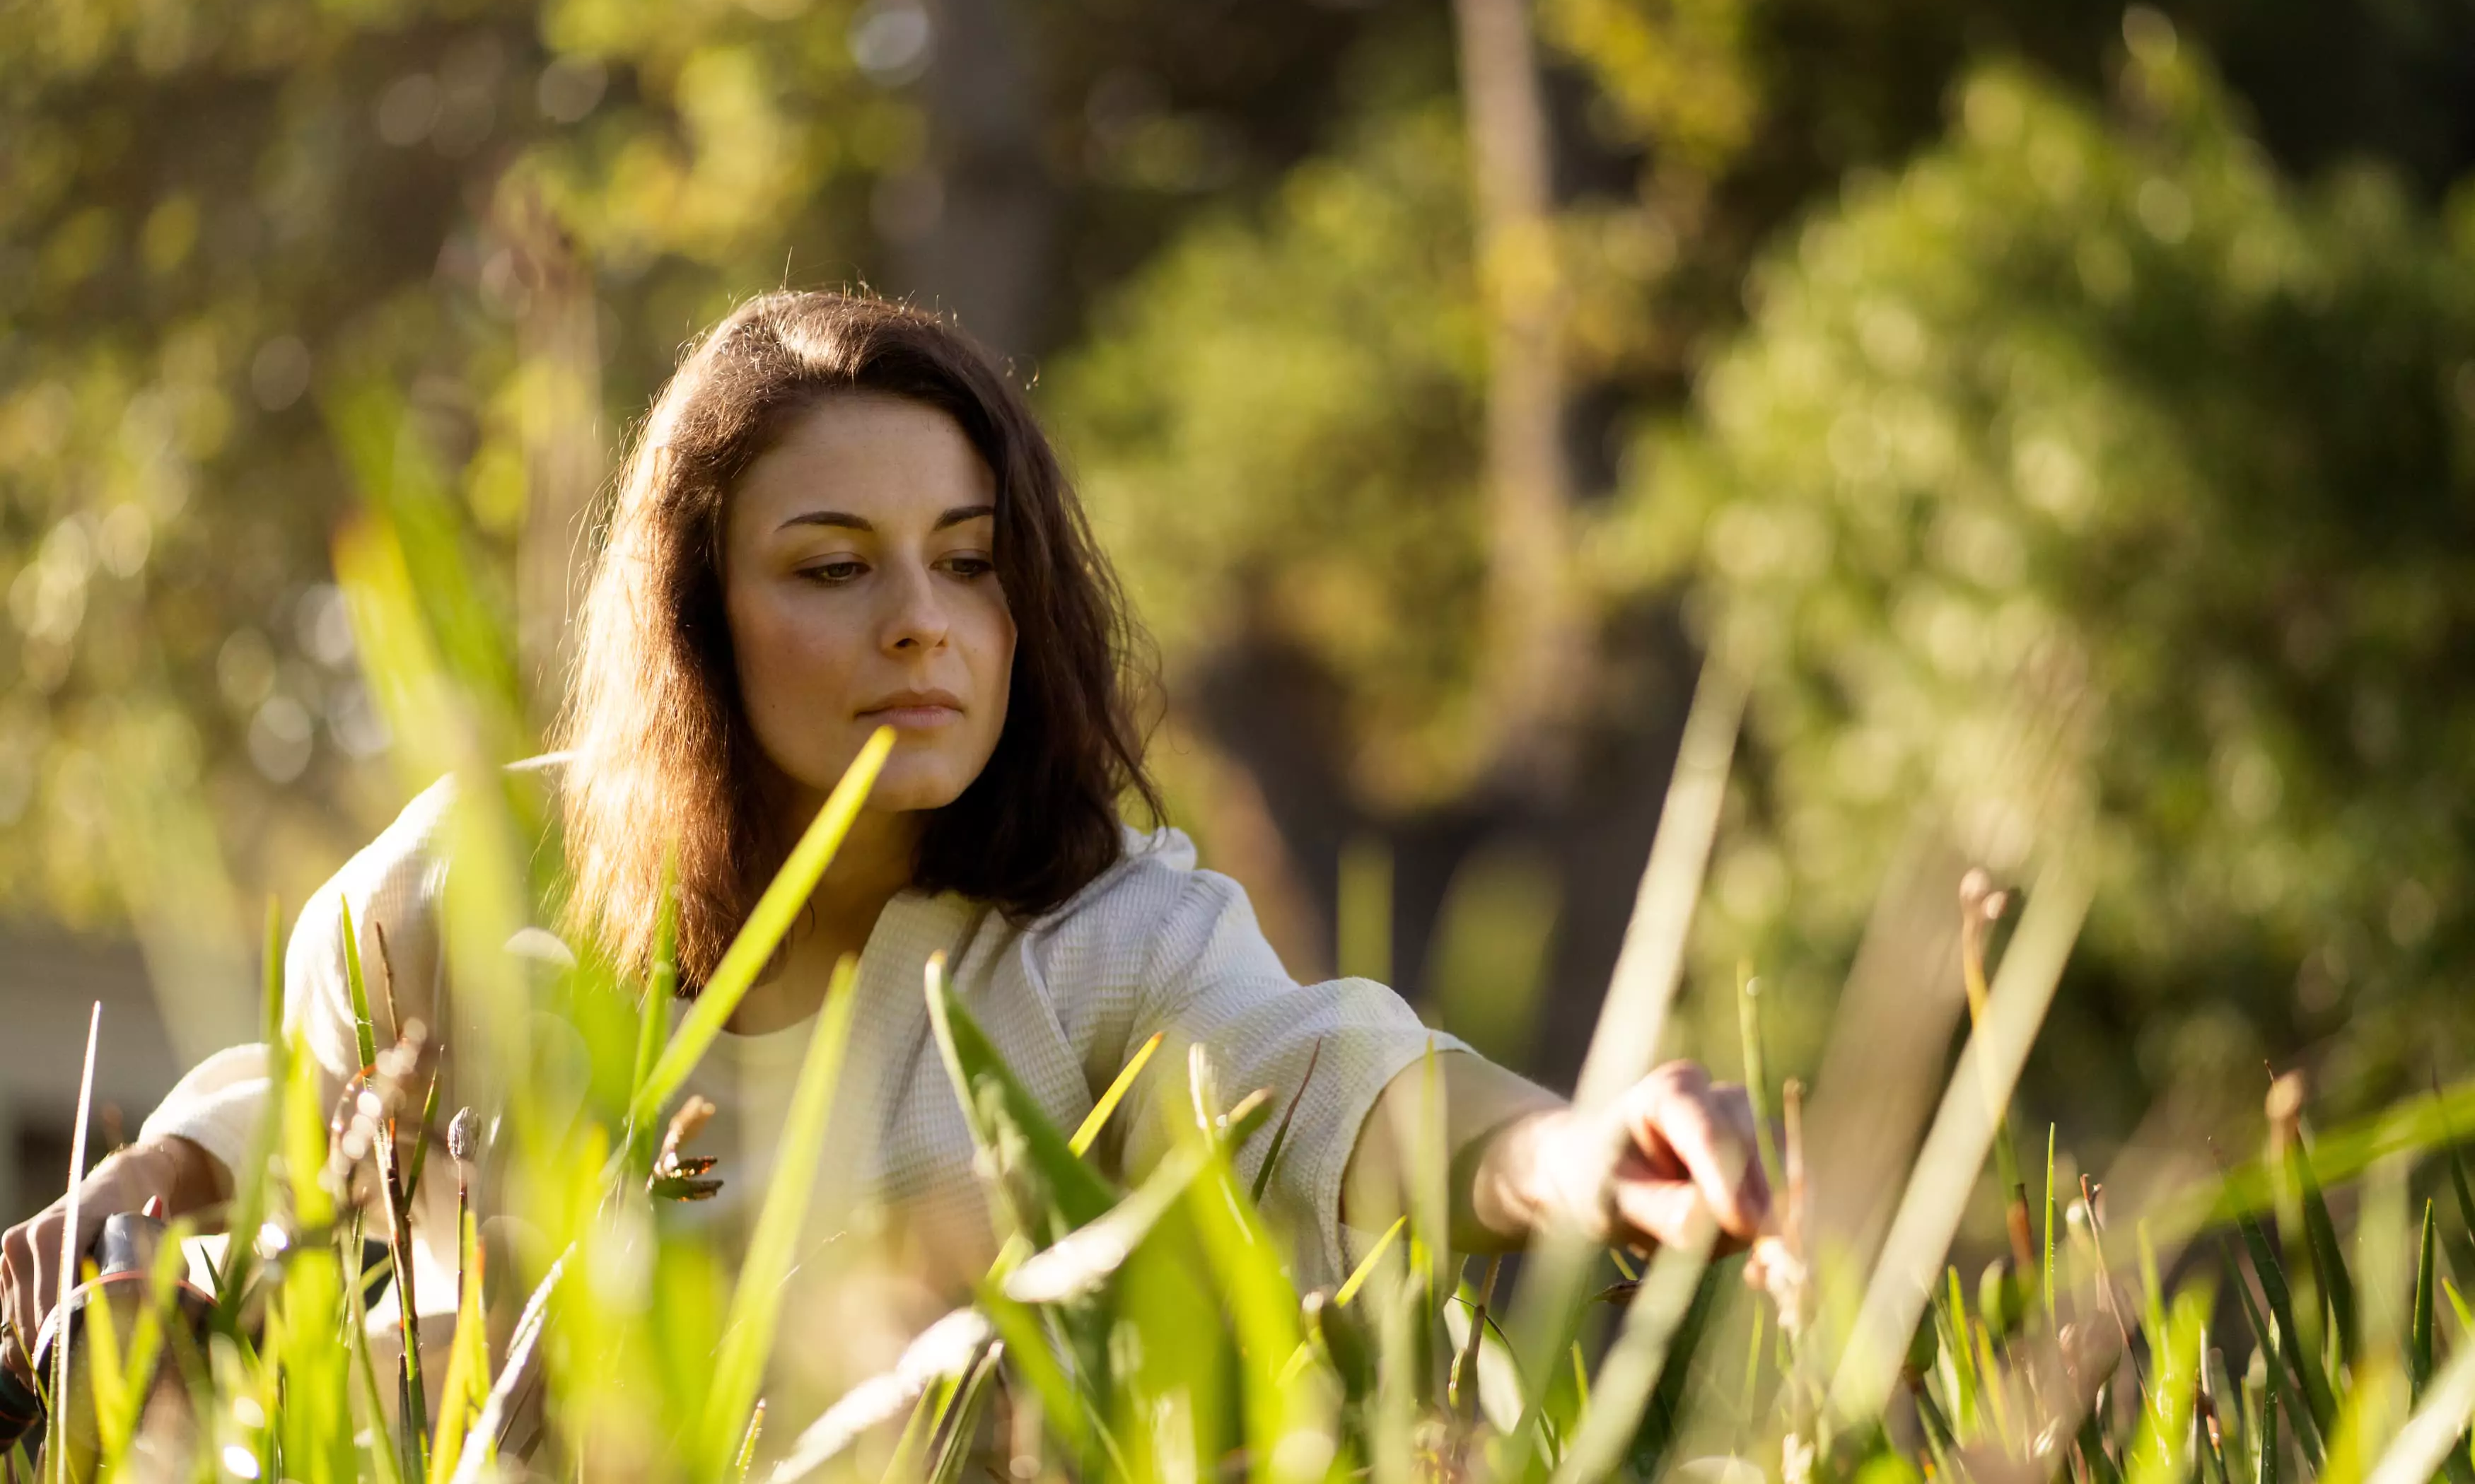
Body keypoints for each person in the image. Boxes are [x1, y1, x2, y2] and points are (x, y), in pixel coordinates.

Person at [1, 291, 1767, 1391]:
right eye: (834, 566)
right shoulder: (463, 887)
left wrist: (1576, 1154)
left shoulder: (1104, 936)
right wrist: (159, 1181)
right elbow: (320, 1126)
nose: (923, 621)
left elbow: (1333, 1085)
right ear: (697, 617)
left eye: (970, 556)